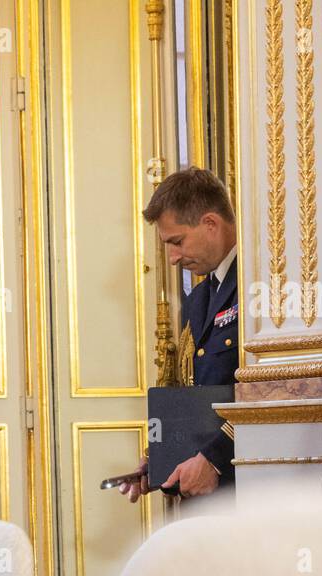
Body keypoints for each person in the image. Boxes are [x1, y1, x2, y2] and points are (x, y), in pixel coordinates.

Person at [121, 167, 239, 502]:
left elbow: (267, 391)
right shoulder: (198, 300)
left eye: (177, 242)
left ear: (211, 224)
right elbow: (192, 394)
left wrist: (214, 460)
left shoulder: (256, 287)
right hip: (203, 494)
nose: (172, 258)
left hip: (246, 484)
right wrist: (160, 459)